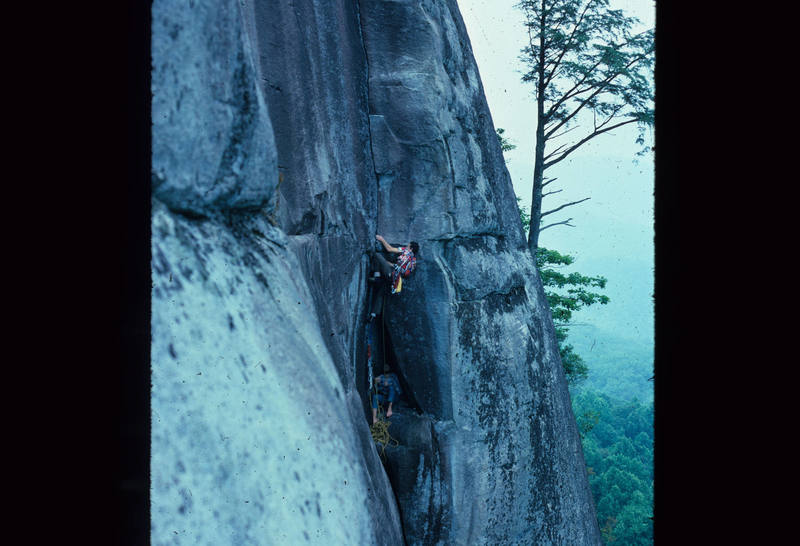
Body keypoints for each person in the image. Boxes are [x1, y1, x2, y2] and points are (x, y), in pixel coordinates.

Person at [368, 234, 419, 303]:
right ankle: (374, 313)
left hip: (392, 273)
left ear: (411, 248)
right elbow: (404, 271)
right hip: (396, 280)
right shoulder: (414, 261)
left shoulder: (405, 251)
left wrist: (381, 239)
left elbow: (389, 249)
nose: (406, 246)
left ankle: (377, 276)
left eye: (408, 245)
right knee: (381, 289)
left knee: (377, 255)